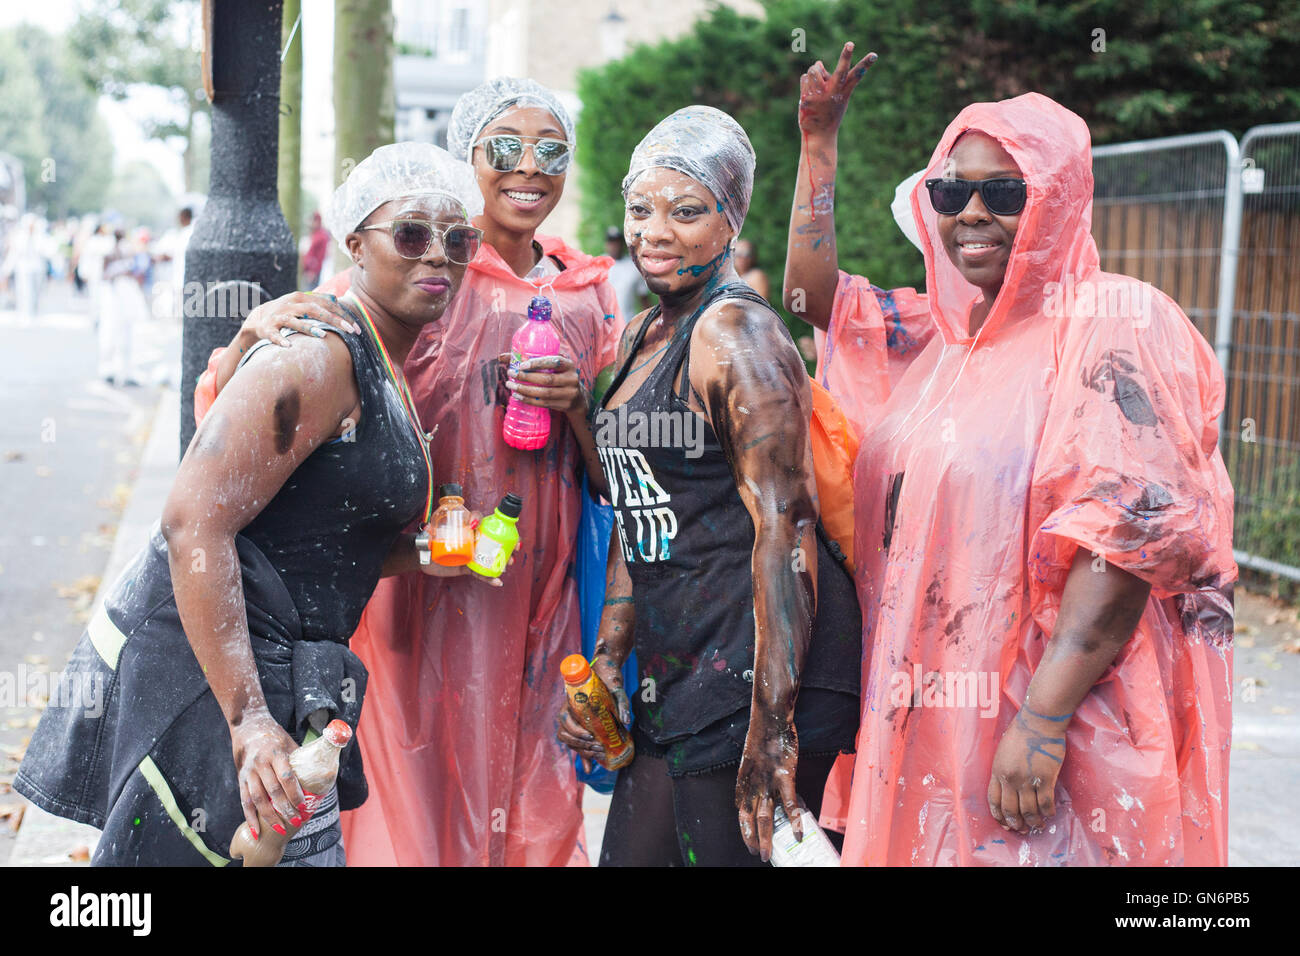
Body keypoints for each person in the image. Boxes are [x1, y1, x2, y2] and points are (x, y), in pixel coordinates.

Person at [785, 44, 1236, 866]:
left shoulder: (1111, 321)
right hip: (936, 722)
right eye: (953, 191)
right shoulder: (949, 346)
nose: (973, 213)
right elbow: (813, 299)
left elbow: (1128, 533)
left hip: (1053, 726)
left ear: (1059, 198)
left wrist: (1043, 720)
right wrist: (818, 147)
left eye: (1004, 191)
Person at [14, 143, 488, 866]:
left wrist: (429, 552)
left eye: (459, 241)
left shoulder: (383, 361)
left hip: (285, 682)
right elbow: (191, 521)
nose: (440, 258)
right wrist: (249, 721)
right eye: (413, 235)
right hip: (213, 678)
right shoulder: (321, 355)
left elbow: (327, 539)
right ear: (355, 244)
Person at [194, 77, 624, 866]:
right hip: (416, 579)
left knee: (526, 774)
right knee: (417, 773)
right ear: (469, 158)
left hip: (538, 585)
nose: (528, 167)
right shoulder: (422, 259)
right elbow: (310, 346)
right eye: (505, 147)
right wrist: (251, 330)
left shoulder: (586, 294)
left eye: (551, 150)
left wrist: (579, 409)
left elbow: (614, 479)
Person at [556, 106, 861, 866]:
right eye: (640, 208)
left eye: (686, 211)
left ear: (730, 223)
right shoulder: (637, 339)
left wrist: (772, 726)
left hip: (759, 674)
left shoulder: (734, 336)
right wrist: (607, 657)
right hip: (682, 669)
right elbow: (636, 503)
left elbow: (785, 529)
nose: (654, 231)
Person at [604, 224, 649, 327]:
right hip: (605, 327)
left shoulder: (634, 267)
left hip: (628, 325)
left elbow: (644, 298)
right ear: (606, 244)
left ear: (622, 244)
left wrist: (649, 323)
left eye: (617, 242)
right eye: (611, 243)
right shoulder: (600, 266)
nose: (614, 246)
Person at [733, 237, 770, 302]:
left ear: (753, 257)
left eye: (747, 254)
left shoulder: (756, 276)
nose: (742, 258)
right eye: (738, 254)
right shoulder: (732, 278)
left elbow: (761, 305)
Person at [301, 210, 331, 289]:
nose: (311, 223)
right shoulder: (316, 234)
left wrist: (312, 271)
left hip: (313, 273)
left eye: (313, 220)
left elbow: (319, 256)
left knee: (309, 294)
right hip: (309, 271)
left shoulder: (321, 236)